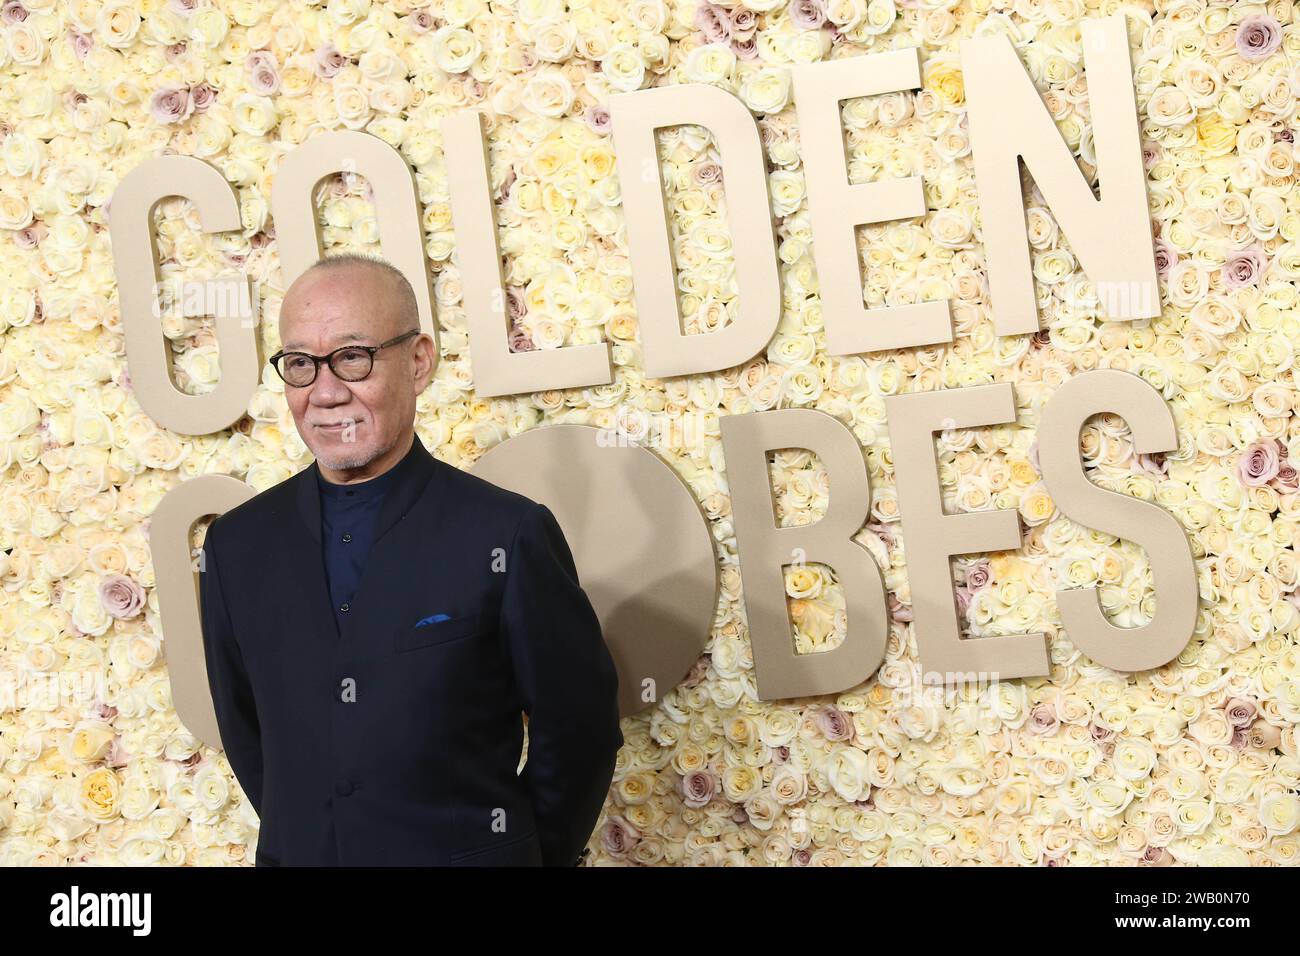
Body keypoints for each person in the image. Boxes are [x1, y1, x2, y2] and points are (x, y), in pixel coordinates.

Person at [197, 252, 623, 866]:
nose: (325, 391)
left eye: (352, 357)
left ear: (418, 362)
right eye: (299, 364)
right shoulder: (236, 546)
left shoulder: (507, 533)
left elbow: (578, 730)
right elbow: (247, 734)